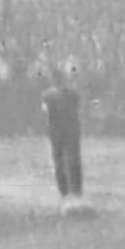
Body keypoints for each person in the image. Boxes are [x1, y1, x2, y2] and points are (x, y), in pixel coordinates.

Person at [40, 68, 84, 202]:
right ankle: (76, 191)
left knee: (59, 162)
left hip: (56, 131)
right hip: (71, 130)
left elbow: (45, 112)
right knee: (74, 160)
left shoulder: (48, 95)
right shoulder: (73, 93)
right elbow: (78, 108)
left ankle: (64, 192)